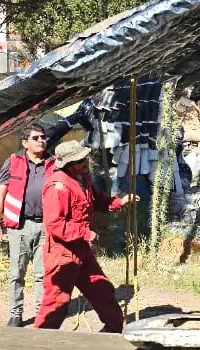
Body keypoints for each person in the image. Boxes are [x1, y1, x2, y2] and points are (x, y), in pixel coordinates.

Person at [0, 102, 93, 327]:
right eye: (36, 138)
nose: (42, 141)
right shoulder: (13, 162)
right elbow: (0, 193)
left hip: (47, 226)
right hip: (19, 226)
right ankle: (15, 314)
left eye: (43, 137)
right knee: (16, 273)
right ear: (24, 142)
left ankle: (40, 313)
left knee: (42, 273)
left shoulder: (54, 164)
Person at [34, 140, 136, 332]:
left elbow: (97, 200)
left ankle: (114, 332)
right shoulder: (58, 187)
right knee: (56, 303)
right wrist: (85, 233)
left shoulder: (82, 179)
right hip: (62, 255)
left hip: (82, 251)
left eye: (84, 158)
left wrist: (119, 202)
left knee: (102, 290)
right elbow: (55, 224)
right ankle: (39, 341)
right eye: (80, 160)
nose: (85, 162)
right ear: (69, 165)